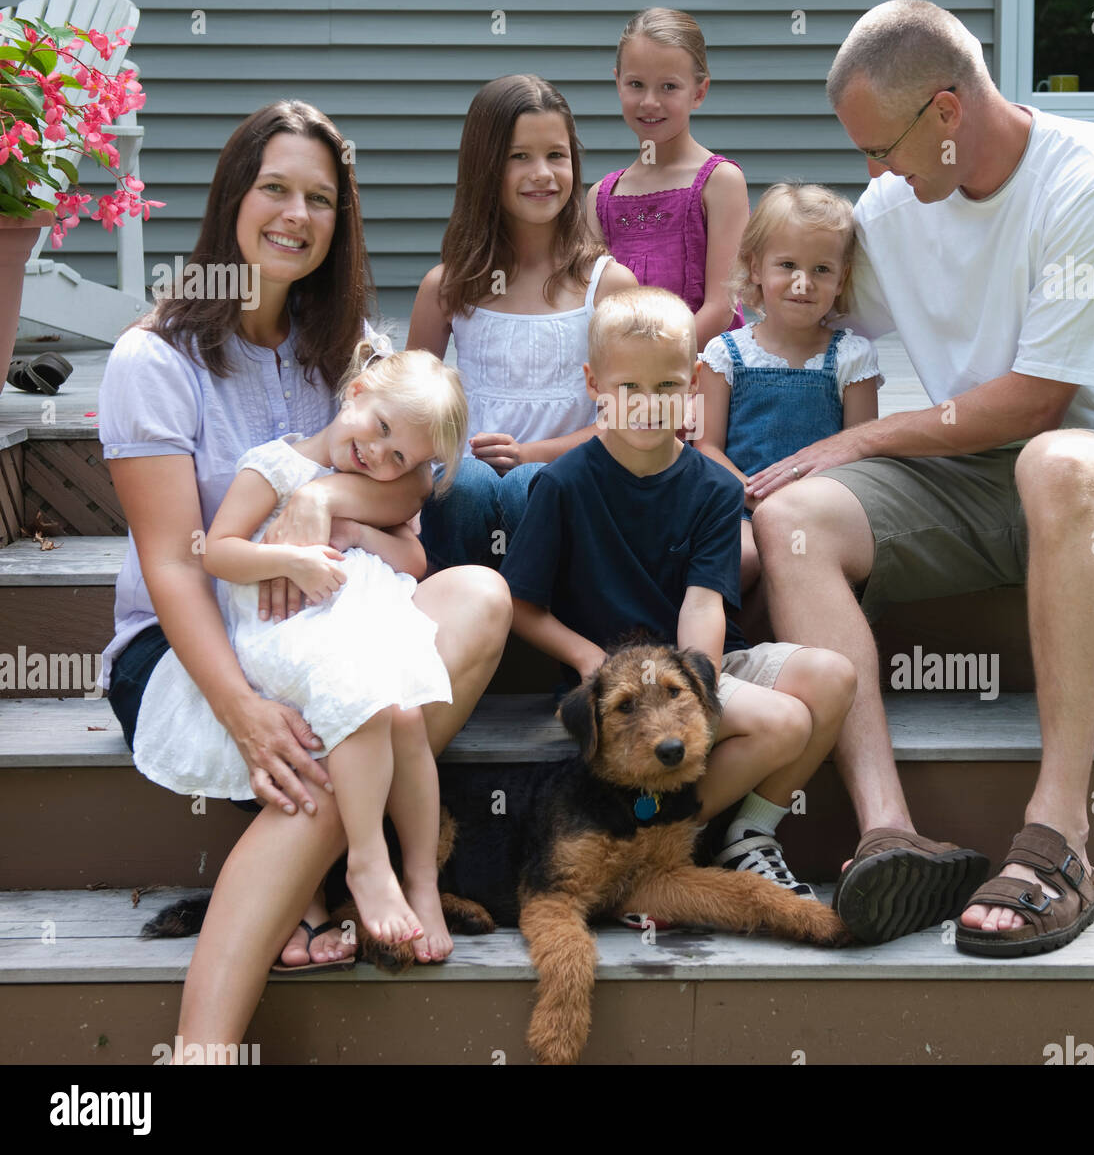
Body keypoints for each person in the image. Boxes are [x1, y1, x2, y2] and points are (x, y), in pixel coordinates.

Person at [747, 0, 1094, 956]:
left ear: (946, 113)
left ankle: (1060, 841)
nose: (873, 174)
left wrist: (868, 440)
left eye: (882, 148)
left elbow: (1040, 404)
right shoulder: (896, 208)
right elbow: (798, 306)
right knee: (793, 515)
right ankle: (888, 834)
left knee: (1055, 460)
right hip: (979, 479)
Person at [100, 100, 511, 1055]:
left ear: (341, 220)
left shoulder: (350, 356)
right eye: (275, 188)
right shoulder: (153, 358)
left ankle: (335, 882)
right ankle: (209, 1045)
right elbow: (174, 559)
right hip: (187, 646)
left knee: (476, 599)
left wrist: (326, 500)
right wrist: (243, 706)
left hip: (321, 629)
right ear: (232, 198)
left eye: (320, 199)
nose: (296, 214)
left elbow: (411, 532)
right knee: (330, 750)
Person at [500, 286, 857, 896]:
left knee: (834, 677)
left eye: (666, 387)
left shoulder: (713, 490)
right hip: (619, 688)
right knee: (782, 723)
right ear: (594, 385)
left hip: (696, 666)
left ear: (693, 382)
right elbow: (521, 606)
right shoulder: (562, 485)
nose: (646, 405)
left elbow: (703, 603)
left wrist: (701, 693)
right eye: (627, 388)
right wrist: (588, 658)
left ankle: (745, 836)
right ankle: (645, 852)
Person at [132, 342, 469, 958]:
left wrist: (358, 531)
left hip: (363, 627)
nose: (379, 455)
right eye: (382, 429)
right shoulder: (276, 465)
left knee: (407, 717)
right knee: (365, 703)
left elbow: (415, 562)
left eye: (400, 456)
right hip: (286, 631)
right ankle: (366, 862)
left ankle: (422, 882)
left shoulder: (373, 487)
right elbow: (219, 552)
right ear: (357, 391)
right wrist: (289, 558)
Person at [409, 74, 638, 571]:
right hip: (464, 503)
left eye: (556, 155)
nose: (543, 173)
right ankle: (459, 620)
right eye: (519, 157)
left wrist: (531, 453)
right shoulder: (447, 288)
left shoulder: (609, 286)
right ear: (485, 167)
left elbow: (626, 422)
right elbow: (410, 415)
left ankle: (546, 629)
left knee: (528, 484)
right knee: (463, 483)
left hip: (567, 488)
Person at [694, 182, 881, 594]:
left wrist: (802, 508)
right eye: (787, 265)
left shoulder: (851, 357)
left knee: (806, 559)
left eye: (821, 269)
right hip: (739, 506)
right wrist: (754, 497)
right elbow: (706, 446)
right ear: (755, 267)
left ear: (841, 278)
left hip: (821, 511)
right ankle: (735, 650)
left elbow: (859, 451)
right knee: (745, 558)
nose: (803, 283)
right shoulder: (726, 353)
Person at [587, 8, 749, 351]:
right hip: (624, 382)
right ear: (617, 82)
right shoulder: (600, 198)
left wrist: (656, 365)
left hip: (702, 378)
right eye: (636, 84)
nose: (650, 102)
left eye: (669, 87)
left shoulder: (720, 182)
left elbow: (721, 308)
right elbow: (592, 307)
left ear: (699, 92)